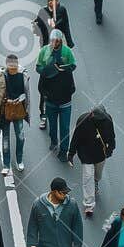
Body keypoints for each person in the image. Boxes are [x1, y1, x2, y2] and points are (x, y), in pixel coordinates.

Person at [68, 104, 116, 215]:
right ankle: (89, 204)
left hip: (100, 153)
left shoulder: (108, 120)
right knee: (88, 177)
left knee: (98, 174)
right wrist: (71, 153)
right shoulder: (83, 120)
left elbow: (111, 136)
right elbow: (76, 137)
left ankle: (96, 181)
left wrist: (110, 149)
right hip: (86, 153)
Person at [37, 31, 77, 159]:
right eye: (52, 40)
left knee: (65, 128)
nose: (54, 43)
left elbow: (73, 68)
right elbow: (39, 72)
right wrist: (47, 71)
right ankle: (54, 141)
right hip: (51, 103)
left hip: (65, 103)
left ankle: (64, 151)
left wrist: (64, 70)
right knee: (53, 126)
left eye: (57, 41)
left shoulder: (67, 54)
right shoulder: (44, 53)